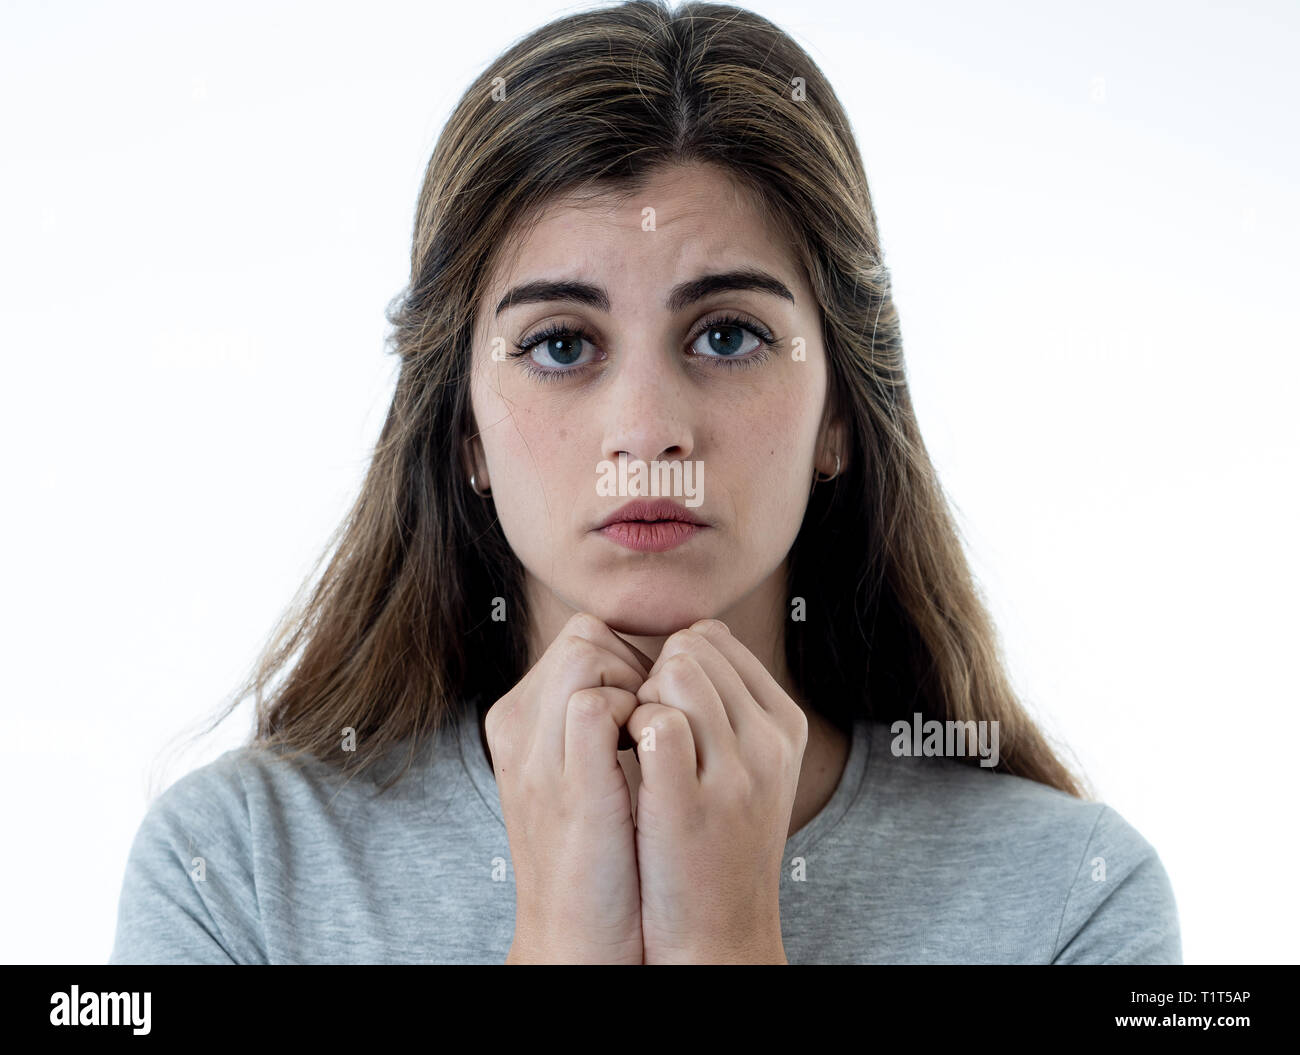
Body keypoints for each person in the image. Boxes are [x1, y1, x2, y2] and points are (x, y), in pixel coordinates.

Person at [109, 0, 1180, 964]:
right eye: (562, 346)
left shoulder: (1071, 899)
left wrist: (724, 940)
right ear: (462, 430)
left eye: (726, 333)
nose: (647, 433)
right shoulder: (236, 869)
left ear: (841, 413)